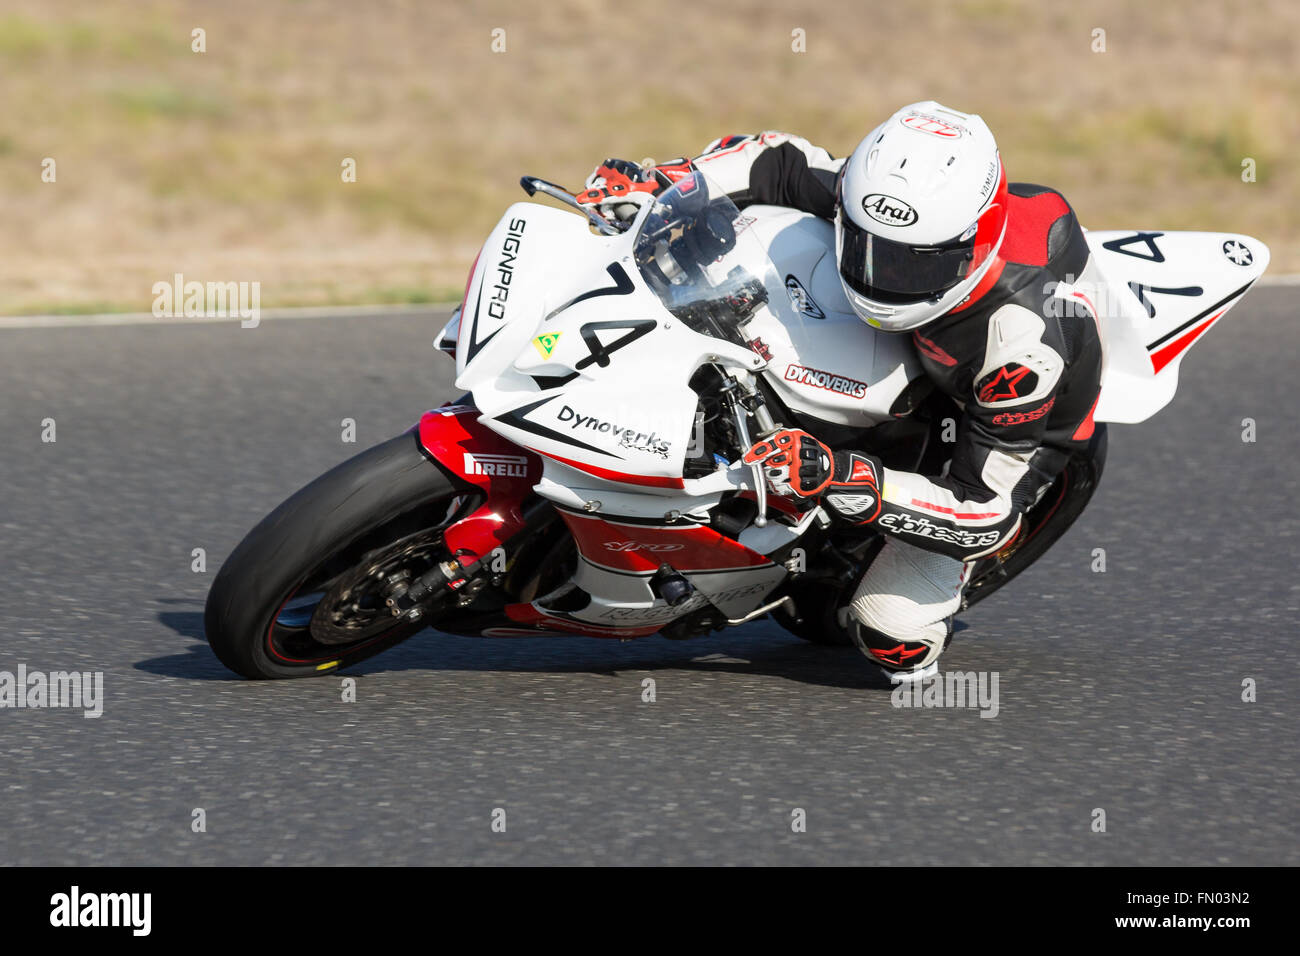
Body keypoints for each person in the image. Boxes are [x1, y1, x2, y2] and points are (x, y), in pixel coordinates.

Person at [577, 102, 1104, 680]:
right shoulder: (884, 203)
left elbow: (983, 509)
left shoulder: (1020, 348)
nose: (880, 275)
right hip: (919, 357)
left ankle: (925, 595)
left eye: (909, 266)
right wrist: (664, 181)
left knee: (890, 637)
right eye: (864, 246)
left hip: (1003, 436)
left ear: (971, 247)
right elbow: (778, 162)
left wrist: (847, 477)